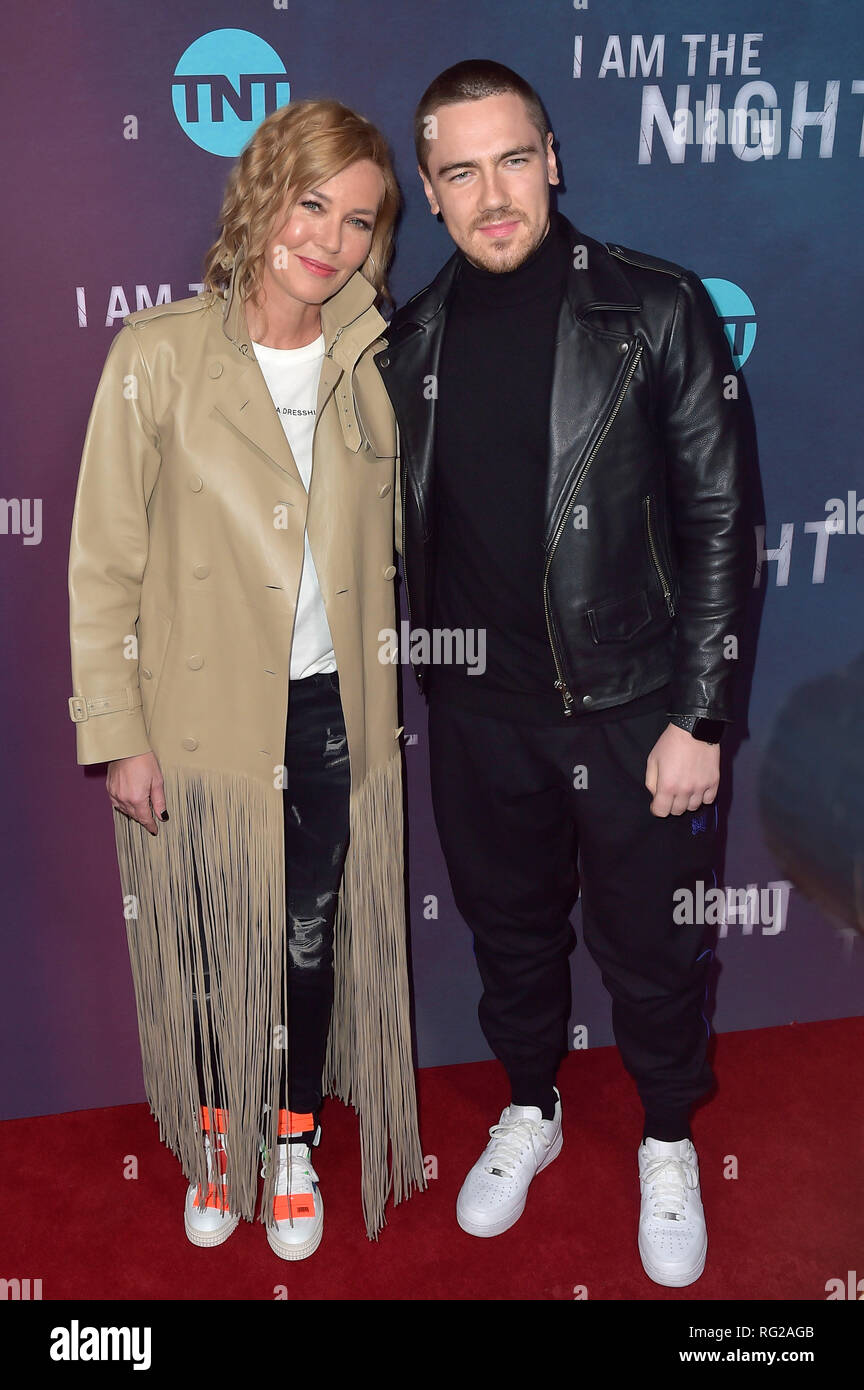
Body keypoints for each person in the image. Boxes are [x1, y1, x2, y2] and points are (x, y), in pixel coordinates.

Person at [376, 60, 755, 1287]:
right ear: (429, 193)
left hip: (634, 706)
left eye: (513, 160)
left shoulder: (654, 307)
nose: (493, 195)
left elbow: (720, 521)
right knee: (511, 936)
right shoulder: (406, 340)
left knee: (652, 944)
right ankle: (529, 1106)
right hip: (478, 714)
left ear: (554, 159)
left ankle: (664, 1139)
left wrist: (702, 713)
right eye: (460, 171)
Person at [67, 98, 424, 1260]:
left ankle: (292, 1137)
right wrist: (119, 728)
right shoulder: (155, 356)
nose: (328, 237)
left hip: (331, 712)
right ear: (263, 195)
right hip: (200, 716)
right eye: (311, 201)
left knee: (308, 939)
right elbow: (104, 562)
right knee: (217, 941)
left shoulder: (383, 360)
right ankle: (215, 1135)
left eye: (360, 220)